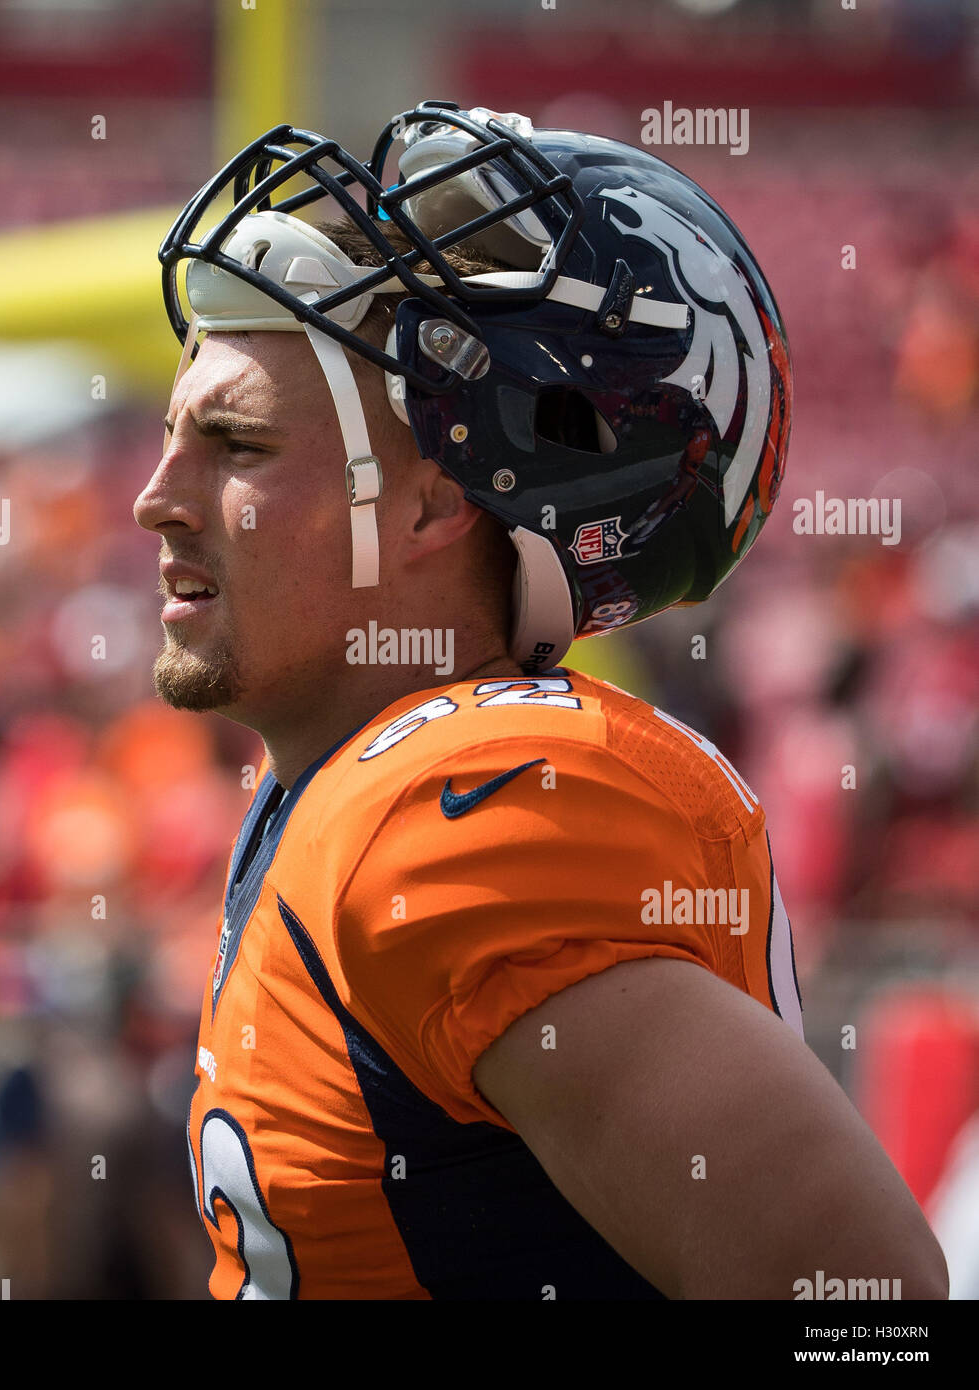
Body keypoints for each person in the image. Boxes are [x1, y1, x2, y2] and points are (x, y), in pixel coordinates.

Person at [134, 102, 948, 1299]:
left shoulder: (454, 807)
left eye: (236, 444)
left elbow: (860, 1302)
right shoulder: (342, 790)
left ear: (429, 502)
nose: (157, 496)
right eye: (170, 437)